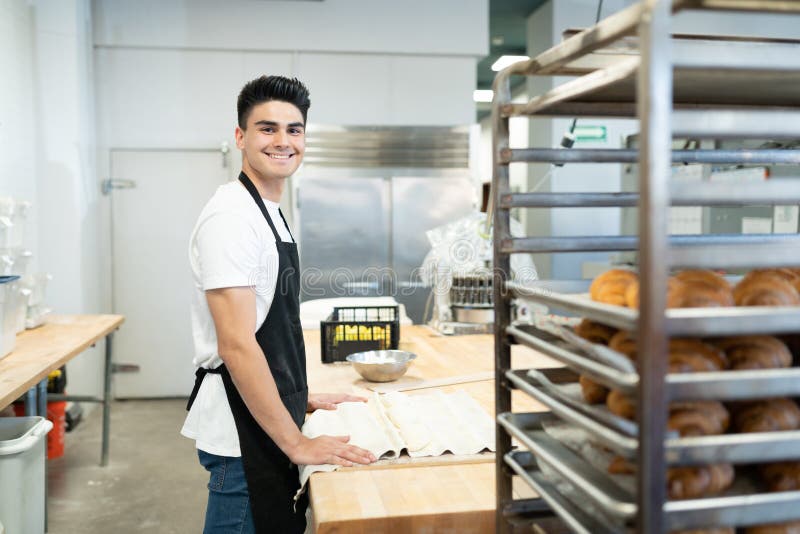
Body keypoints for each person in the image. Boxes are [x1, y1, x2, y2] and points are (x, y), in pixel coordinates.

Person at [181, 75, 376, 533]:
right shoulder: (232, 217)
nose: (283, 141)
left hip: (263, 418)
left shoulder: (268, 211)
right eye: (267, 128)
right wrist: (296, 443)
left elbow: (270, 322)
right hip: (242, 433)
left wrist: (296, 397)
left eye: (295, 129)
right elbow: (236, 345)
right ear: (240, 137)